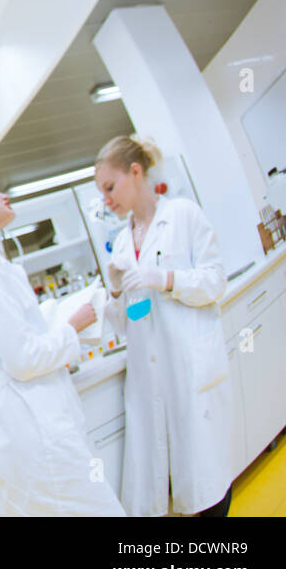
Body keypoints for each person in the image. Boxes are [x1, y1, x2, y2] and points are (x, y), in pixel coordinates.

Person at [0, 175, 126, 516]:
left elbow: (18, 341)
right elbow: (24, 359)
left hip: (31, 420)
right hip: (35, 423)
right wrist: (73, 325)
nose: (5, 195)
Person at [96, 134, 233, 517]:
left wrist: (168, 279)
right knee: (168, 491)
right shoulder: (122, 243)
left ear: (135, 172)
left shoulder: (184, 215)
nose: (106, 199)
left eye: (110, 187)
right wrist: (117, 293)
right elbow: (132, 322)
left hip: (190, 369)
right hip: (152, 379)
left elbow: (214, 282)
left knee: (206, 481)